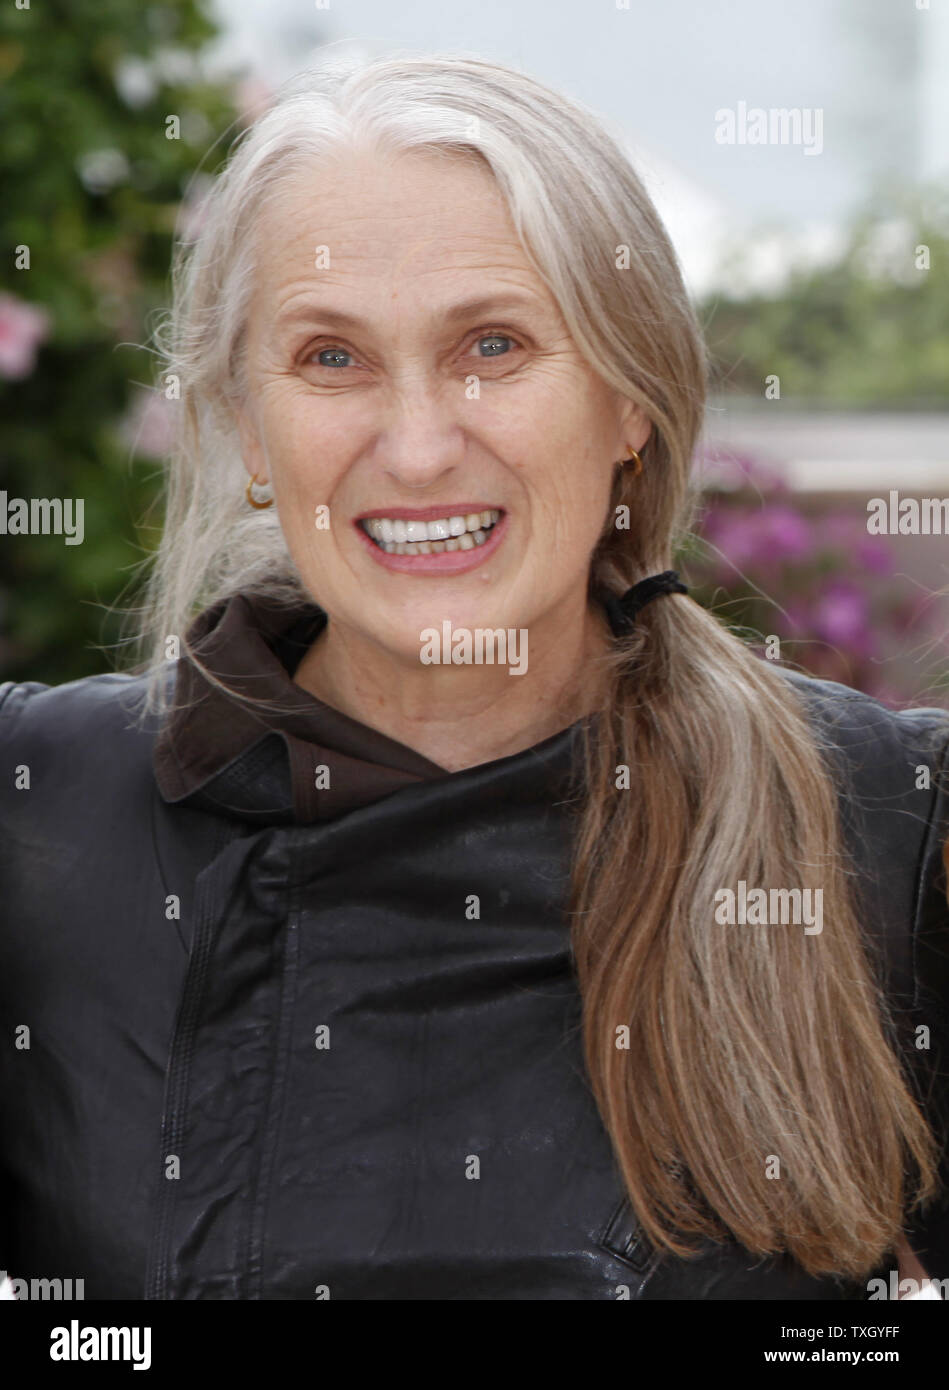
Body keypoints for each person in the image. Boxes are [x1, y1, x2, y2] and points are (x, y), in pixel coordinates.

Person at [1, 52, 947, 1302]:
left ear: (630, 400)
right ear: (246, 423)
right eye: (331, 359)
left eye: (491, 345)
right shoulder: (39, 817)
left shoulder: (891, 826)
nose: (417, 443)